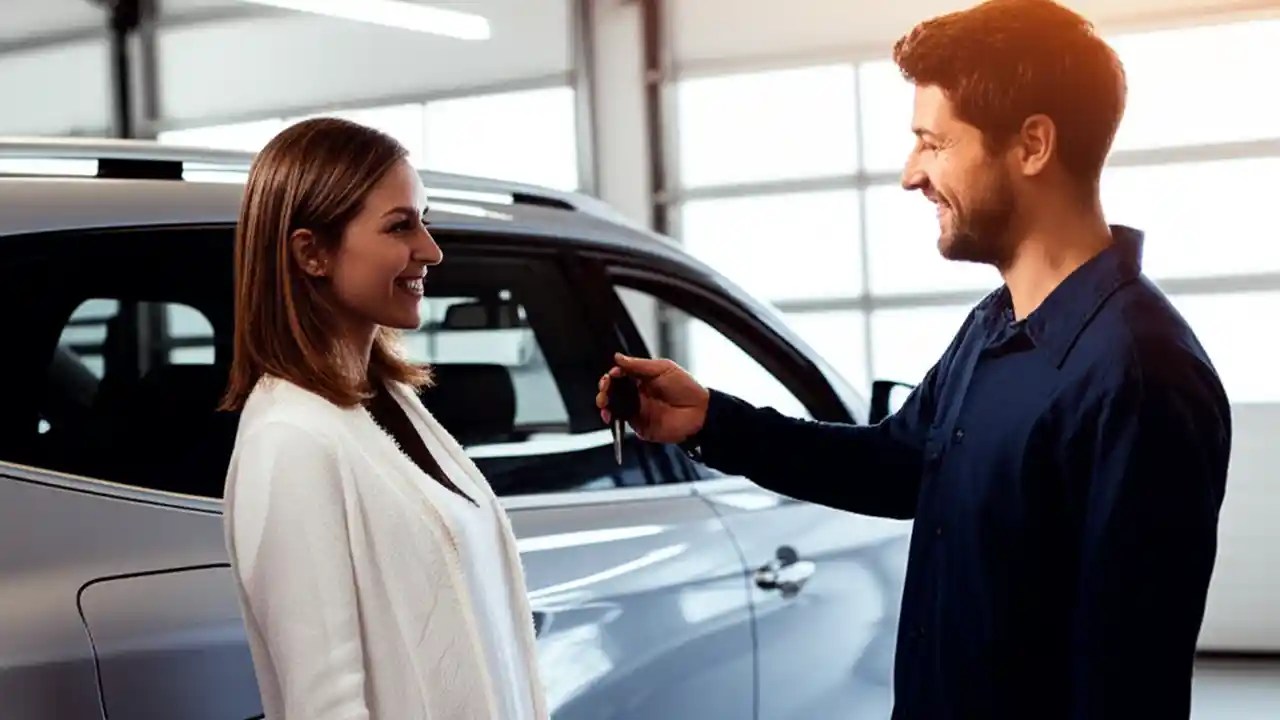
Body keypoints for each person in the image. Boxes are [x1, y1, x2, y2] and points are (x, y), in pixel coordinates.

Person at [597, 1, 1231, 718]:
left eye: (934, 143)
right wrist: (712, 421)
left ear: (1032, 144)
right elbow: (898, 465)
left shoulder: (1141, 375)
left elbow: (1130, 682)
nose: (911, 175)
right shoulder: (995, 325)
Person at [220, 118, 548, 720]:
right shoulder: (290, 440)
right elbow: (325, 705)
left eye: (424, 221)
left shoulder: (387, 400)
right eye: (400, 226)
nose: (431, 250)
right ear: (311, 253)